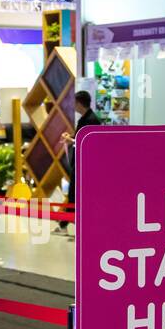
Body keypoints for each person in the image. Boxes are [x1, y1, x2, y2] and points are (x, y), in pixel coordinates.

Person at [57, 90, 103, 232]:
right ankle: (67, 224)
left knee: (75, 194)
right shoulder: (85, 119)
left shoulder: (91, 120)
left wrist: (71, 140)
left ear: (79, 103)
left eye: (74, 103)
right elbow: (79, 136)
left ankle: (68, 224)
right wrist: (70, 137)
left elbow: (89, 142)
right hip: (80, 162)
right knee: (74, 193)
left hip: (86, 165)